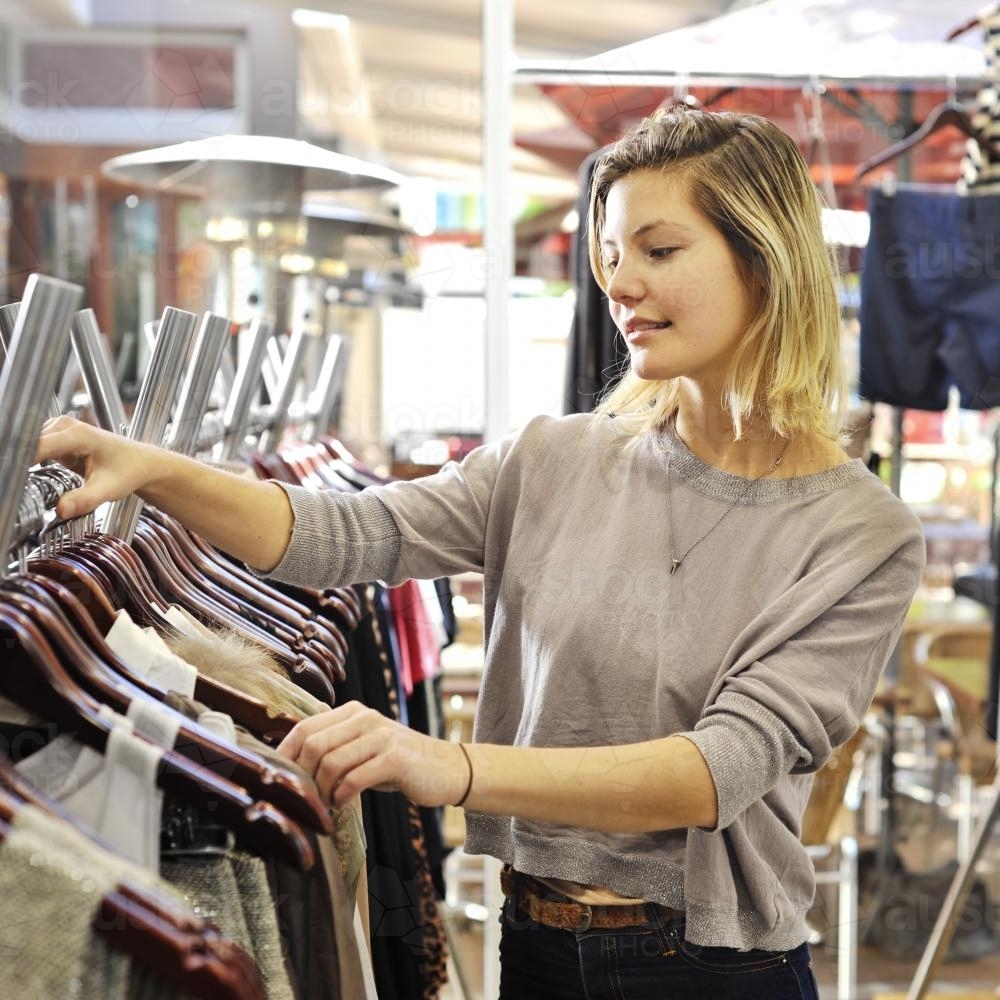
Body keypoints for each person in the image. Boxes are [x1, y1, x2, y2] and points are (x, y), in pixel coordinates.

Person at [37, 105, 924, 999]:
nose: (619, 284)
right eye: (610, 254)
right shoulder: (554, 459)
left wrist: (450, 767)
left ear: (764, 261)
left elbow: (717, 770)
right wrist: (150, 469)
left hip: (710, 969)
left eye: (659, 251)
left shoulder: (859, 533)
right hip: (534, 941)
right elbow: (346, 535)